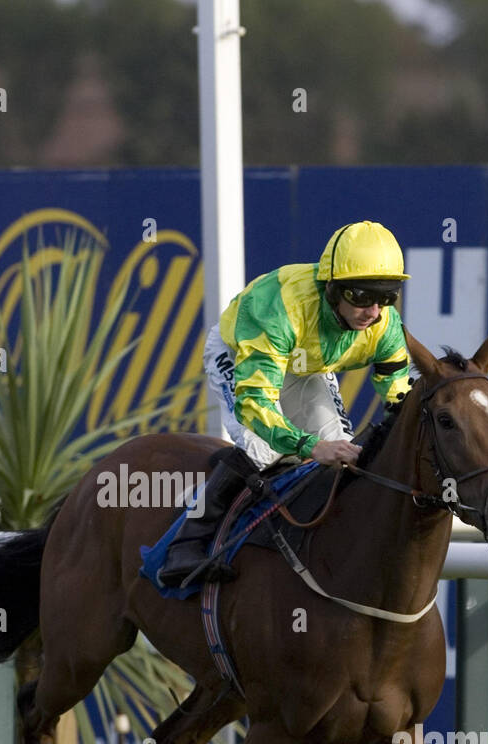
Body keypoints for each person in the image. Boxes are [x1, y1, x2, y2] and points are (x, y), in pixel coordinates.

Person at [158, 220, 414, 587]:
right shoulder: (282, 311)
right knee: (264, 449)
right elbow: (256, 403)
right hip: (244, 354)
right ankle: (185, 546)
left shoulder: (384, 325)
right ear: (332, 289)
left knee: (343, 452)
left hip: (305, 363)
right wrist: (311, 446)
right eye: (361, 297)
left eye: (386, 297)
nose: (374, 312)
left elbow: (397, 391)